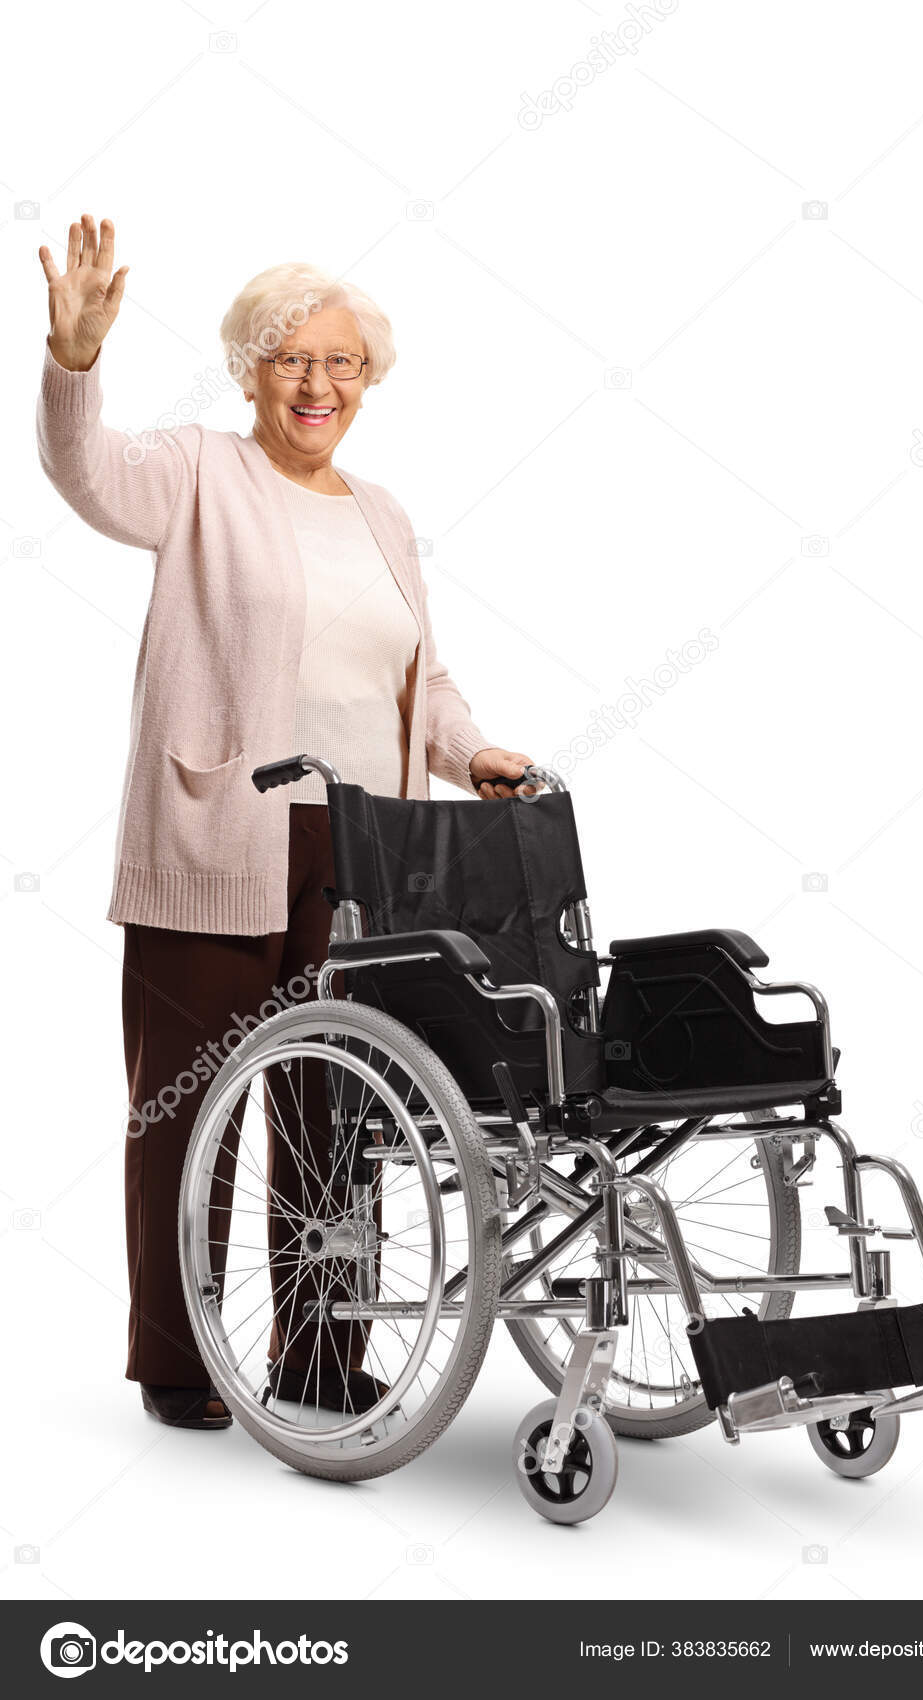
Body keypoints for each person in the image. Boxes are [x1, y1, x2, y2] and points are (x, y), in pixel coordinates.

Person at [36, 213, 540, 1429]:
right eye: (291, 358)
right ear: (249, 368)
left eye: (341, 362)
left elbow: (418, 676)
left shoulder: (382, 513)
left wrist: (469, 747)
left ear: (368, 378)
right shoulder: (198, 471)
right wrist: (74, 360)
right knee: (188, 1106)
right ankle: (178, 1360)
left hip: (362, 850)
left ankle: (320, 1356)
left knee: (340, 1113)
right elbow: (83, 470)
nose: (317, 384)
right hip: (217, 831)